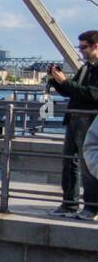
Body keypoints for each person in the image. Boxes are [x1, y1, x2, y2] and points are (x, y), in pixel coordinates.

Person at [46, 30, 98, 219]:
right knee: (69, 162)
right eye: (80, 47)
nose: (81, 51)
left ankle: (91, 208)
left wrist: (66, 82)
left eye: (84, 47)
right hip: (74, 118)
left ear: (95, 46)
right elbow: (71, 91)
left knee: (88, 164)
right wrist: (56, 80)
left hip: (90, 121)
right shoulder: (86, 68)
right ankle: (69, 204)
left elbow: (93, 94)